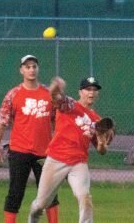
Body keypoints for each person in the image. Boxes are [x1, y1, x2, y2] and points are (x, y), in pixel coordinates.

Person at [28, 76, 113, 223]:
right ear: (80, 92)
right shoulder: (71, 105)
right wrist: (56, 86)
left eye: (94, 90)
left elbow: (102, 151)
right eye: (88, 89)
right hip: (56, 159)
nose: (91, 93)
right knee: (41, 204)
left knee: (84, 196)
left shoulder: (96, 119)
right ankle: (33, 215)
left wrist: (101, 142)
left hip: (78, 163)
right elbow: (56, 98)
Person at [0, 55, 59, 223]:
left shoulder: (48, 94)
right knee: (16, 193)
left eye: (34, 66)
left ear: (38, 69)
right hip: (19, 151)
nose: (31, 70)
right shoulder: (14, 94)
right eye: (27, 67)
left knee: (49, 193)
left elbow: (57, 121)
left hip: (44, 153)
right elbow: (2, 122)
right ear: (21, 70)